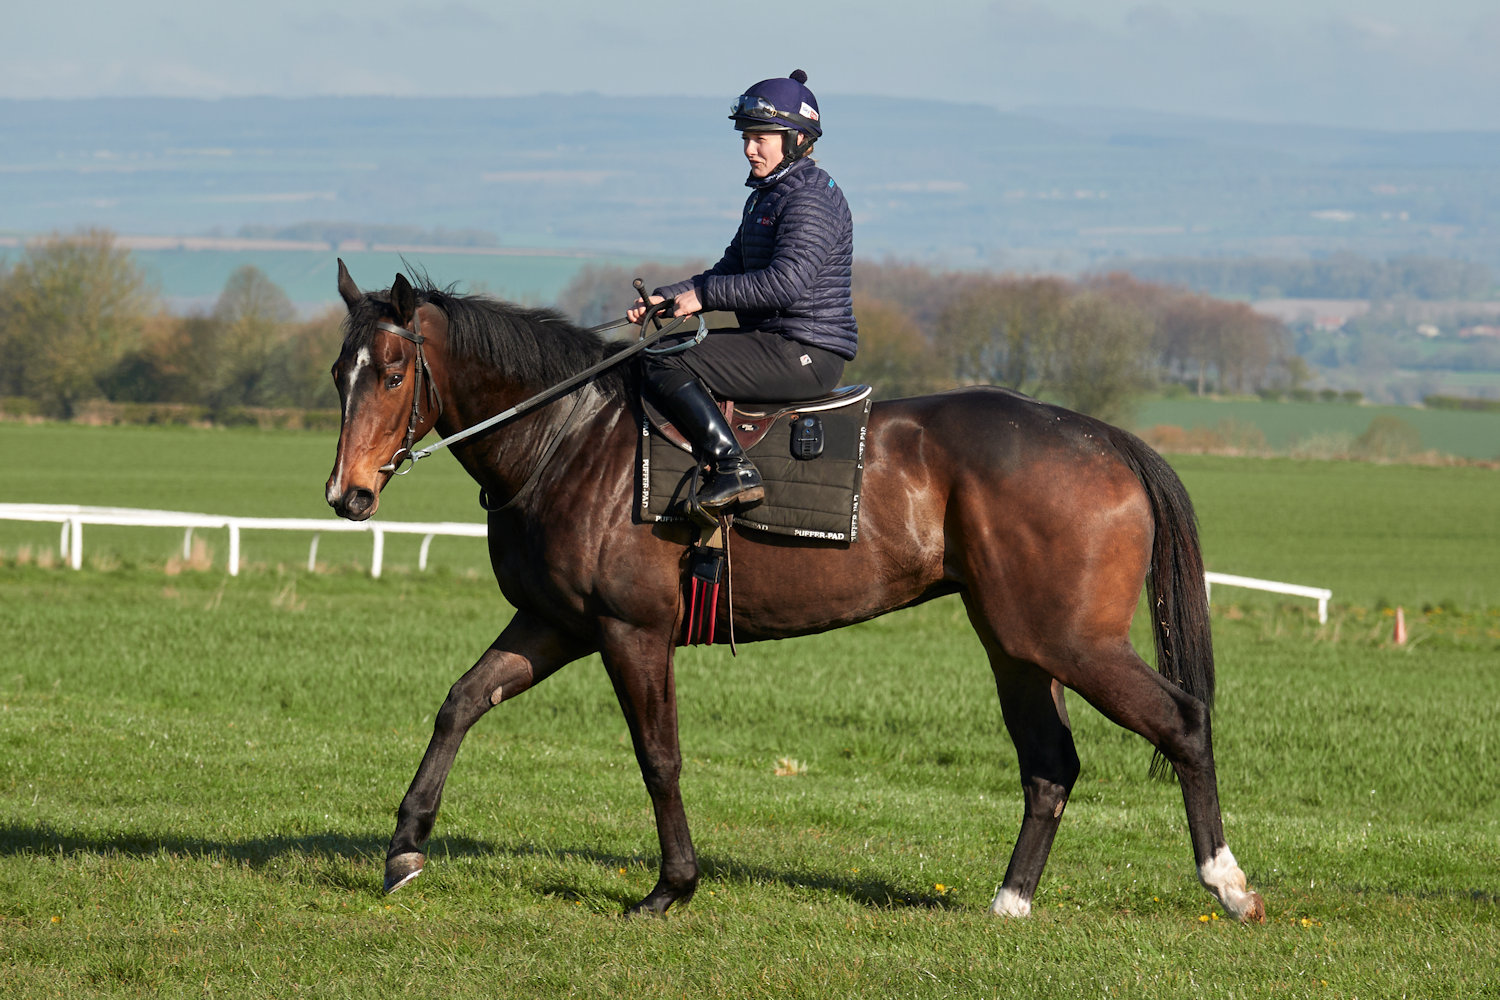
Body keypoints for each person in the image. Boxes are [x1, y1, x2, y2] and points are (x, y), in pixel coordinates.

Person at [630, 69, 857, 521]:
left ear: (795, 139)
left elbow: (783, 284)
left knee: (661, 358)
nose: (750, 149)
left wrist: (703, 297)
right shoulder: (767, 197)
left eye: (761, 138)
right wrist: (668, 297)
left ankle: (734, 467)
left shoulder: (809, 199)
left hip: (805, 351)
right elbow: (730, 269)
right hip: (775, 341)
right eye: (745, 138)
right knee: (658, 346)